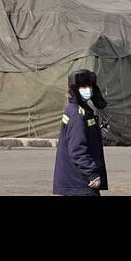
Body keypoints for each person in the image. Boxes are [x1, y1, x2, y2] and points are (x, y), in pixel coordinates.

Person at [53, 68, 109, 196]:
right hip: (79, 183)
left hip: (77, 182)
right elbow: (77, 149)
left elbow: (80, 137)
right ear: (75, 89)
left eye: (89, 86)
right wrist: (92, 173)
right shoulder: (77, 113)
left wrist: (97, 134)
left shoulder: (79, 110)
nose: (87, 89)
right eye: (83, 86)